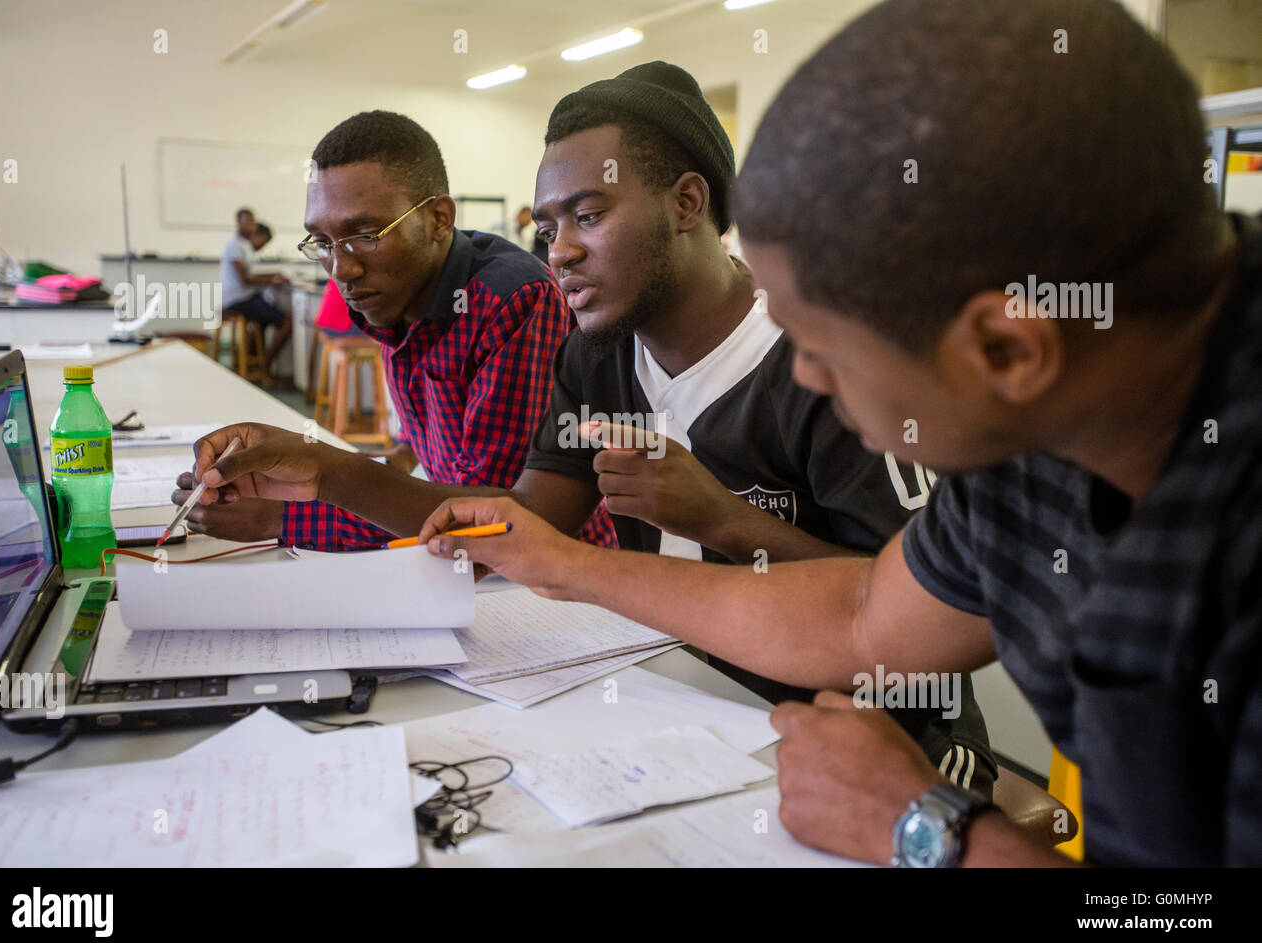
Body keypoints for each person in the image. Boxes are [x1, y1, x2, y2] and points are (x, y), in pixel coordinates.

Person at [409, 0, 1262, 867]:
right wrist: (571, 563)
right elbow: (864, 615)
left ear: (1005, 348)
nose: (805, 372)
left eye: (827, 348)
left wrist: (924, 829)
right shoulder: (1037, 419)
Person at [179, 63, 994, 794]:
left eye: (588, 216)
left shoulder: (824, 364)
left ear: (687, 202)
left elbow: (908, 617)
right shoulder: (597, 358)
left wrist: (720, 519)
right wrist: (325, 474)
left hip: (865, 744)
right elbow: (524, 519)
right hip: (675, 706)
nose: (558, 252)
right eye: (546, 227)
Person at [179, 111, 615, 548]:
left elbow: (491, 521)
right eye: (324, 243)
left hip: (543, 579)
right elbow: (428, 435)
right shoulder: (395, 296)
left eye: (367, 234)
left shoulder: (511, 299)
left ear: (439, 218)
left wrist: (287, 515)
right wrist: (365, 468)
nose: (342, 269)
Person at [220, 208, 291, 388]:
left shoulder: (245, 245)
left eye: (252, 222)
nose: (250, 226)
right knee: (286, 322)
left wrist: (272, 275)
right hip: (237, 300)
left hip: (246, 297)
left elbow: (251, 273)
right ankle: (264, 367)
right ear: (238, 223)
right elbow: (244, 279)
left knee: (262, 322)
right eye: (246, 222)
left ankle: (252, 365)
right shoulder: (235, 245)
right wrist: (272, 280)